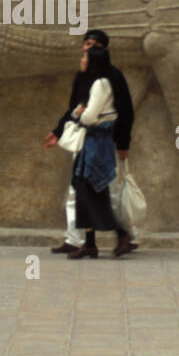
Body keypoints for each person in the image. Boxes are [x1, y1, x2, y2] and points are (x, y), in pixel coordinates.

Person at [43, 30, 137, 258]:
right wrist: (58, 130)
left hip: (103, 142)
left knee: (106, 192)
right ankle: (77, 240)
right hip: (85, 140)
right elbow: (74, 108)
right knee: (79, 191)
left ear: (103, 49)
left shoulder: (110, 77)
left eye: (93, 45)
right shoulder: (84, 75)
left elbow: (124, 111)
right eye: (86, 44)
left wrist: (123, 142)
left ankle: (123, 236)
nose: (87, 49)